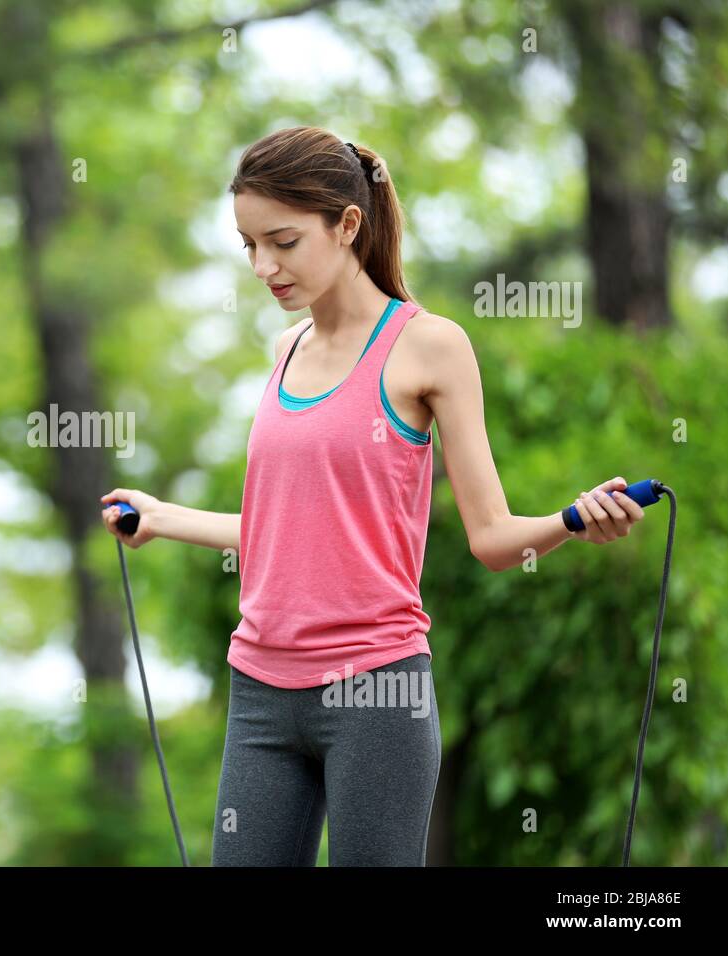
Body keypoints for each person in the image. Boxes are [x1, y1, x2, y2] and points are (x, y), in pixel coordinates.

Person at [99, 125, 646, 867]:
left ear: (347, 224)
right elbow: (290, 527)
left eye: (283, 242)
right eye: (249, 245)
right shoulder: (285, 351)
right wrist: (162, 519)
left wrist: (570, 521)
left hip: (376, 695)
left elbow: (490, 537)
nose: (263, 266)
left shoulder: (429, 347)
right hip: (260, 690)